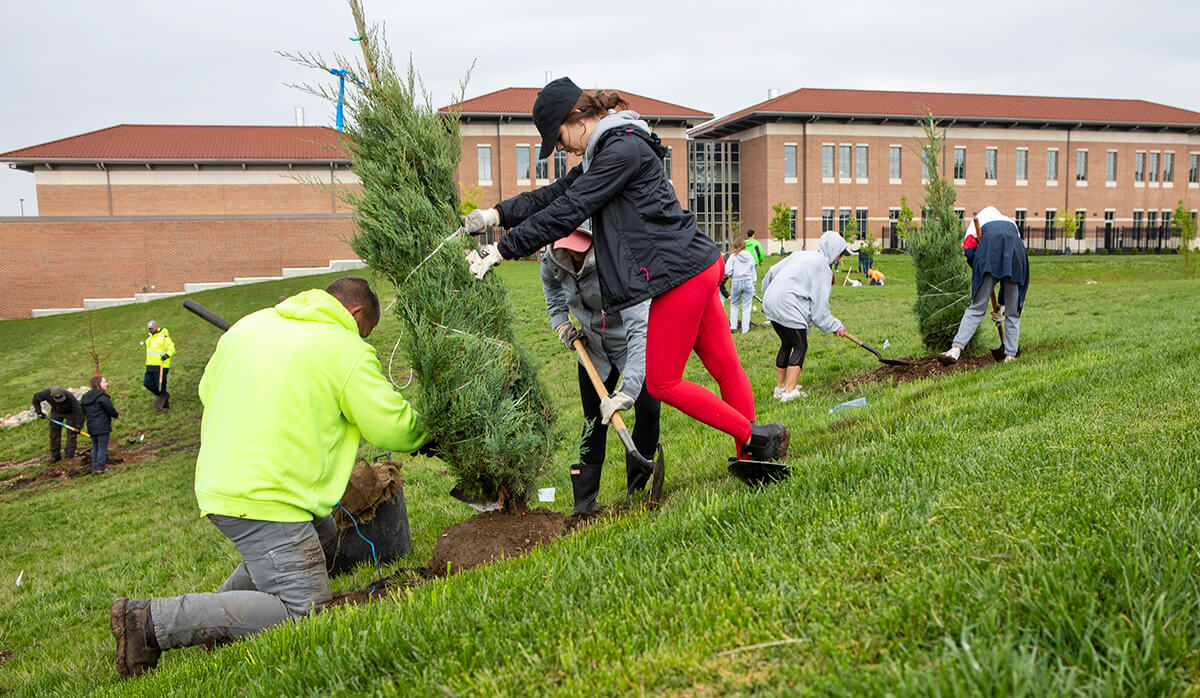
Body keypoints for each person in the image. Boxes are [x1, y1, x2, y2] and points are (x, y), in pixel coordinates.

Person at [109, 277, 433, 679]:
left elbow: (207, 390)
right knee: (304, 614)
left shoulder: (250, 326)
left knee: (322, 533)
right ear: (355, 313)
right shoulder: (344, 349)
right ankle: (150, 622)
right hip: (267, 495)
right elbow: (391, 428)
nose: (362, 338)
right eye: (364, 330)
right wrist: (428, 434)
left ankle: (219, 620)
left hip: (222, 480)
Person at [462, 77, 789, 466]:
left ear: (578, 119)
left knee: (663, 382)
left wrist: (503, 249)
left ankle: (754, 437)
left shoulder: (621, 151)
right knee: (724, 365)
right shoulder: (609, 151)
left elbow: (569, 210)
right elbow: (551, 196)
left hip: (678, 275)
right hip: (697, 263)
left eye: (560, 138)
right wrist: (494, 215)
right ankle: (752, 454)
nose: (562, 148)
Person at [542, 221, 660, 514]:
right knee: (593, 420)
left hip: (629, 343)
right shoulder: (552, 261)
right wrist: (561, 324)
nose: (574, 256)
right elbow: (553, 293)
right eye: (567, 248)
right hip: (592, 346)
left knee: (648, 408)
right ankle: (584, 501)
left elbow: (639, 335)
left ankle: (638, 485)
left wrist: (627, 392)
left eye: (580, 248)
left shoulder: (622, 266)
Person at [761, 231, 855, 402]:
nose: (840, 258)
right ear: (833, 250)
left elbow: (771, 271)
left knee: (787, 343)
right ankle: (790, 393)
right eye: (840, 254)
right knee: (800, 345)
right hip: (787, 304)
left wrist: (769, 295)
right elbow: (820, 311)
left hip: (771, 301)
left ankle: (780, 388)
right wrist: (835, 326)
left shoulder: (801, 255)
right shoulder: (822, 269)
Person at [938, 206, 1029, 365]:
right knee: (1012, 310)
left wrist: (984, 277)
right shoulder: (1011, 223)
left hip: (988, 251)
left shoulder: (974, 226)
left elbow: (970, 252)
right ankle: (1010, 355)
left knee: (977, 307)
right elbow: (1010, 262)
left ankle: (956, 350)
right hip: (1016, 252)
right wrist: (1004, 304)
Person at [31, 386, 85, 462]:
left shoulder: (69, 396)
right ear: (51, 395)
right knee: (54, 434)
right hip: (56, 411)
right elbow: (36, 398)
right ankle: (55, 456)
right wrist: (39, 411)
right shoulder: (45, 393)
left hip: (70, 413)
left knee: (72, 434)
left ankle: (69, 455)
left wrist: (79, 426)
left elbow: (79, 412)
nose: (59, 400)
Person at [81, 374, 119, 474]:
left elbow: (83, 411)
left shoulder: (85, 397)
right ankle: (100, 468)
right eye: (104, 382)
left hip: (91, 426)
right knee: (102, 447)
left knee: (95, 447)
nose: (106, 384)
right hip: (102, 426)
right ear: (98, 384)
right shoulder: (102, 397)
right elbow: (110, 409)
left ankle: (95, 467)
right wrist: (116, 415)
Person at [725, 239, 757, 334]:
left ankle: (733, 326)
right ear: (744, 246)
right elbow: (753, 274)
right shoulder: (750, 257)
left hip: (736, 282)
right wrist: (753, 286)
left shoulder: (733, 257)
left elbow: (727, 271)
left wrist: (732, 275)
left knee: (734, 305)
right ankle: (745, 329)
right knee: (746, 307)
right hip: (748, 282)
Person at [143, 320, 175, 411]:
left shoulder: (164, 337)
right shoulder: (149, 338)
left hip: (161, 366)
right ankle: (164, 395)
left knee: (160, 386)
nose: (150, 330)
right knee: (147, 383)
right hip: (150, 365)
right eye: (149, 329)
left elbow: (172, 347)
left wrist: (166, 355)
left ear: (157, 327)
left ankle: (165, 406)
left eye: (152, 328)